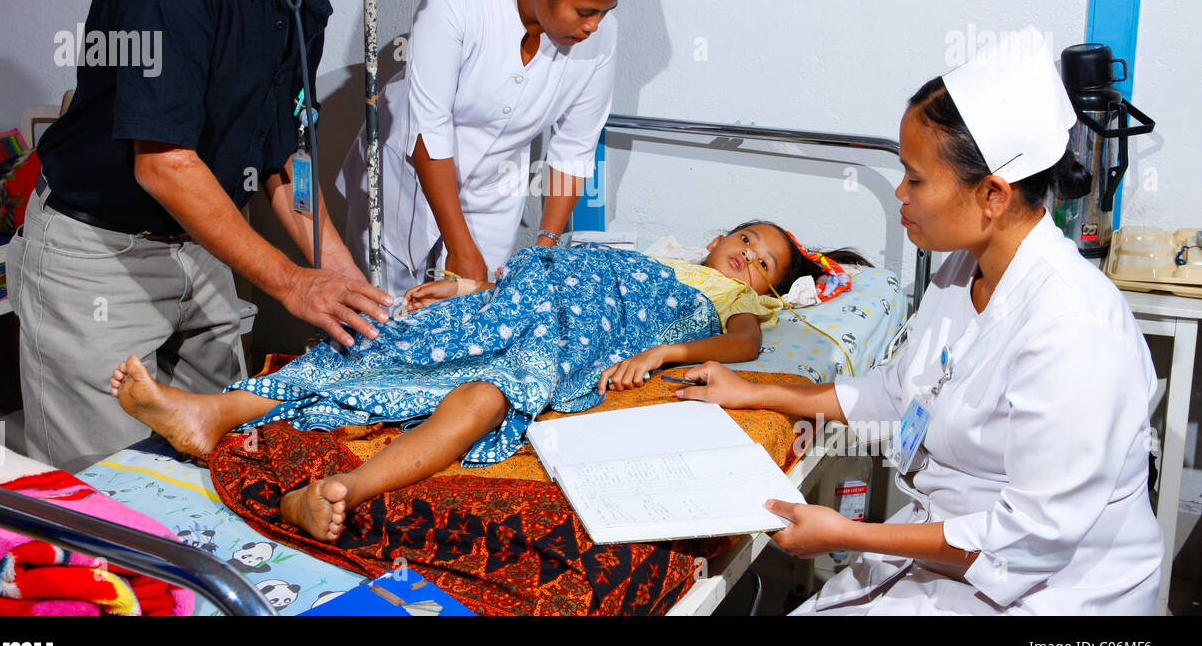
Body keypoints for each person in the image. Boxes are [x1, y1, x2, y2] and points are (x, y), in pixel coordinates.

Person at [677, 28, 1164, 615]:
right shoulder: (962, 270)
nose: (901, 194)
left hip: (1053, 596)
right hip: (947, 554)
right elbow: (896, 392)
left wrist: (846, 534)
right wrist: (758, 390)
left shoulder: (1074, 329)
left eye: (915, 178)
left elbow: (1030, 537)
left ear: (992, 195)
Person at [8, 0, 397, 473]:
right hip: (99, 254)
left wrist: (337, 270)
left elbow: (287, 158)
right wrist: (288, 281)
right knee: (107, 483)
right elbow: (163, 163)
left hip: (203, 242)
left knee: (217, 452)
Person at [110, 221, 868, 542]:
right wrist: (478, 293)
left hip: (577, 335)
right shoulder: (645, 254)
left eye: (762, 262)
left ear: (770, 288)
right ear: (715, 235)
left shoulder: (731, 305)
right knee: (384, 336)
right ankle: (212, 410)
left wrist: (666, 356)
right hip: (528, 299)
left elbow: (739, 345)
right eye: (743, 239)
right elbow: (558, 269)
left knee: (494, 391)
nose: (744, 257)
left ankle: (341, 493)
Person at [338, 0, 635, 298]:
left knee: (478, 309)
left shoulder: (602, 37)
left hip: (495, 186)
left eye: (605, 11)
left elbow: (574, 148)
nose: (595, 26)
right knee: (392, 311)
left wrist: (543, 251)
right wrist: (459, 247)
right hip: (410, 173)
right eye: (585, 11)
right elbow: (430, 126)